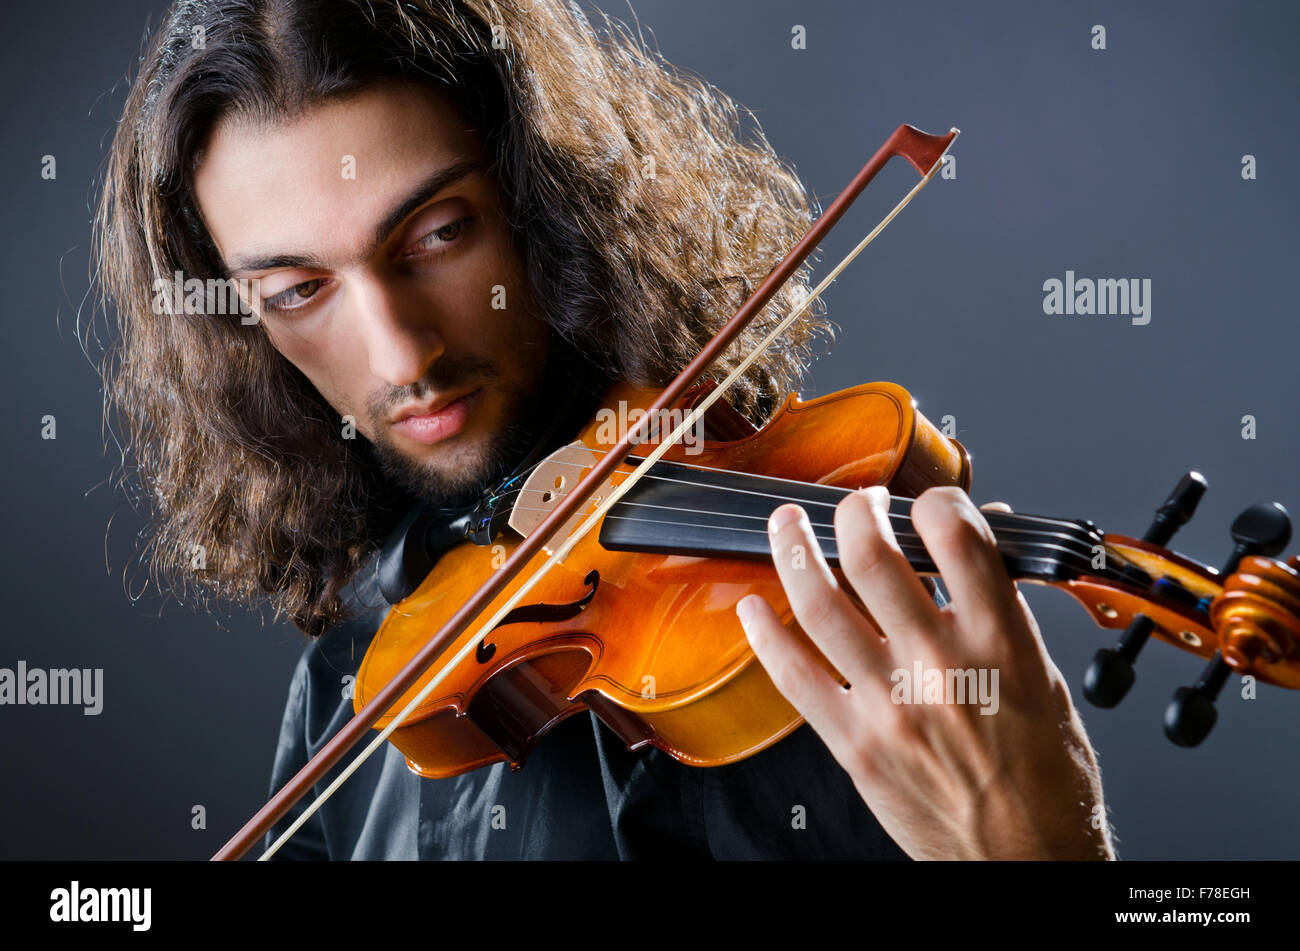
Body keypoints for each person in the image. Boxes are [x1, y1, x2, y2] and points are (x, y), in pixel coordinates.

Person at [93, 0, 1115, 860]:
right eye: (297, 289)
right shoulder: (363, 691)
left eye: (439, 234)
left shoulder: (874, 656)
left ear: (543, 202)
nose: (399, 354)